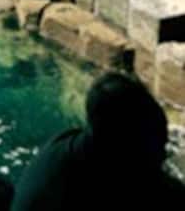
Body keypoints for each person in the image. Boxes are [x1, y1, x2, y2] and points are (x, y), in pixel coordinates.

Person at [11, 71, 185, 210]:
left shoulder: (80, 147)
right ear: (122, 146)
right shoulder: (70, 190)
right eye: (156, 146)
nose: (163, 156)